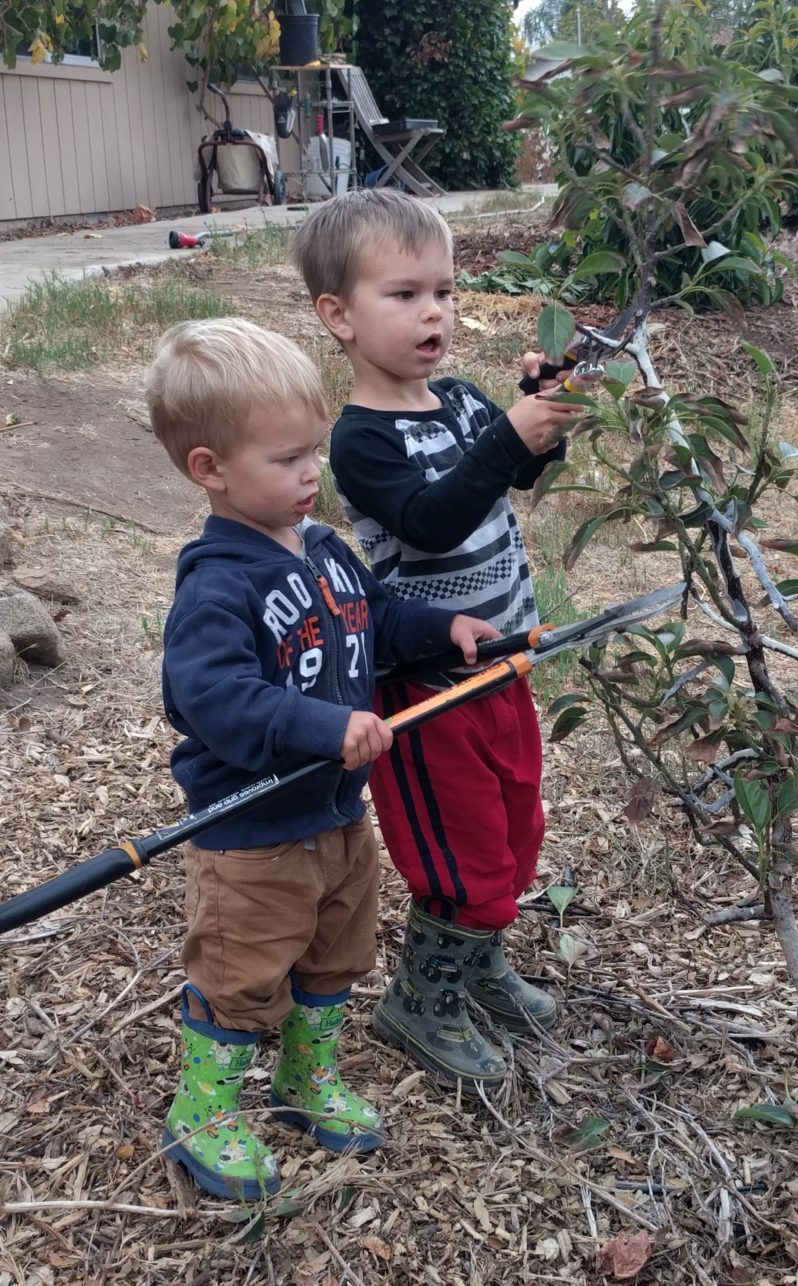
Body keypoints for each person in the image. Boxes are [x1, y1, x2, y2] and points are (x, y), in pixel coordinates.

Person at [145, 317, 498, 1199]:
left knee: (334, 954)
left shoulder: (327, 553)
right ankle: (205, 1108)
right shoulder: (217, 583)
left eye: (315, 453)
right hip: (254, 834)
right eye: (286, 460)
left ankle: (304, 1079)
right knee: (242, 972)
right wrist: (316, 726)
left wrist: (443, 633)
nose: (313, 475)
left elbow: (376, 625)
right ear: (210, 469)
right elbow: (209, 699)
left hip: (339, 815)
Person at [289, 190, 578, 1091]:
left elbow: (514, 475)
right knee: (460, 847)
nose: (435, 313)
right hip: (423, 685)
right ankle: (421, 996)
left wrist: (538, 416)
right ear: (338, 315)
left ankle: (475, 961)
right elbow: (435, 519)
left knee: (514, 823)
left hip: (498, 665)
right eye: (405, 294)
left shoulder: (457, 401)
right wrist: (503, 442)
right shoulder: (359, 442)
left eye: (445, 293)